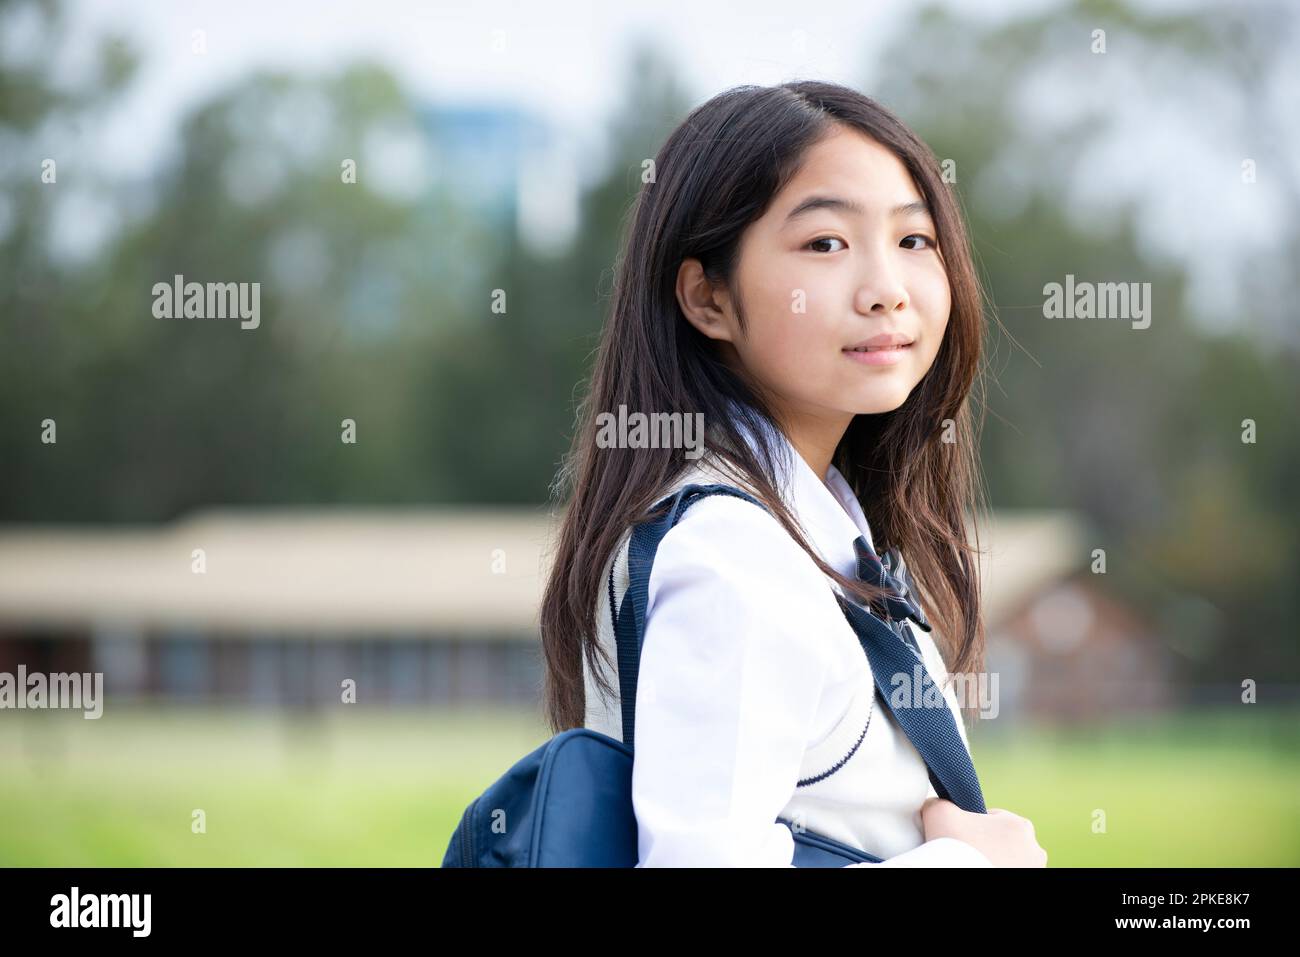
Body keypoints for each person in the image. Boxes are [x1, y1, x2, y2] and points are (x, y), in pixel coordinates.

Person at [539, 80, 1047, 868]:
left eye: (914, 241)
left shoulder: (816, 537)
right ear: (708, 298)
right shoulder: (733, 558)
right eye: (826, 245)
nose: (887, 291)